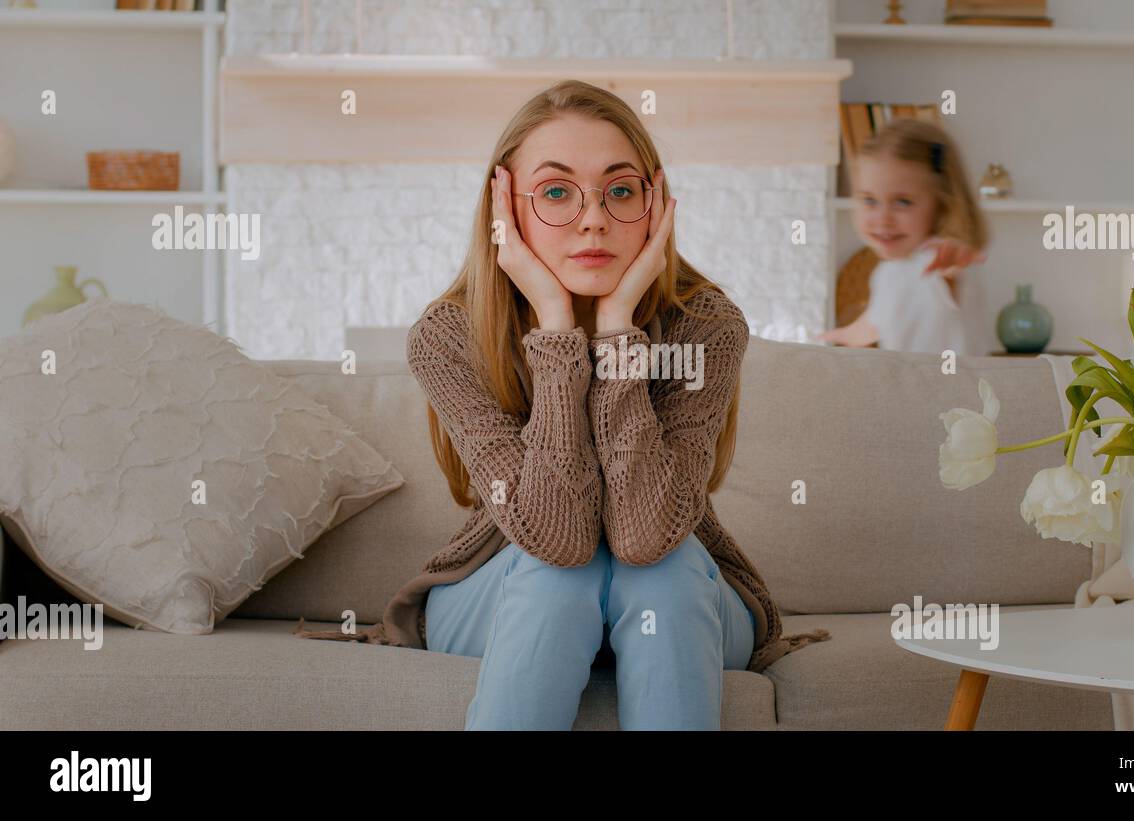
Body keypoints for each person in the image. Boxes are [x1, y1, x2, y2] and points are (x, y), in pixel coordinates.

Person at [295, 79, 830, 730]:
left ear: (654, 203)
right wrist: (555, 330)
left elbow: (644, 533)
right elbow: (559, 539)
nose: (594, 218)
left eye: (620, 189)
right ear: (504, 210)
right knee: (561, 574)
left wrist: (616, 331)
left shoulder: (705, 324)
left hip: (682, 589)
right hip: (509, 586)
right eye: (555, 191)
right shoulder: (448, 337)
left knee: (661, 568)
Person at [816, 119, 989, 354]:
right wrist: (836, 337)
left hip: (953, 389)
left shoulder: (935, 261)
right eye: (869, 201)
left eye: (902, 202)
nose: (883, 218)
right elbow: (873, 323)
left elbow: (951, 274)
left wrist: (955, 257)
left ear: (942, 205)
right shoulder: (889, 272)